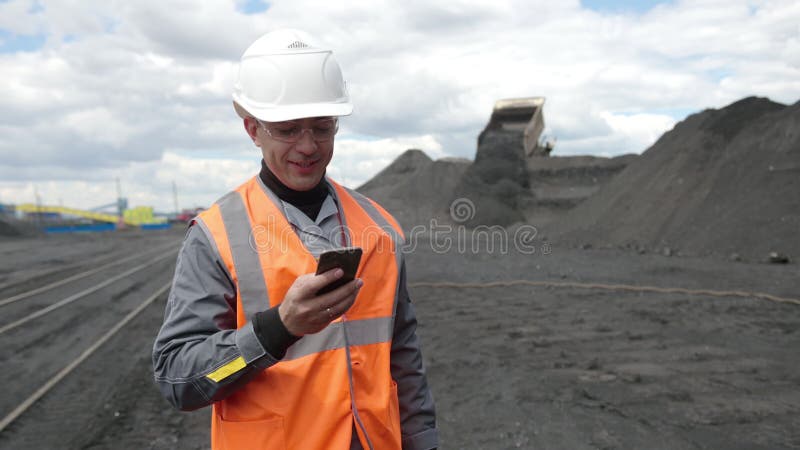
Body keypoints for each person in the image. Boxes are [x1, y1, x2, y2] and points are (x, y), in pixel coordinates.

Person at [152, 29, 438, 450]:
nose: (308, 146)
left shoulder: (379, 227)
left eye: (322, 128)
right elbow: (180, 381)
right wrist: (277, 329)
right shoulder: (216, 236)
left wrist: (423, 442)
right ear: (253, 129)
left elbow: (404, 360)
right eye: (287, 130)